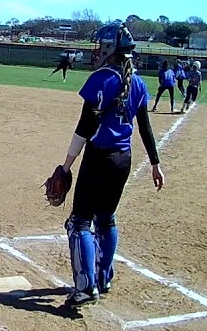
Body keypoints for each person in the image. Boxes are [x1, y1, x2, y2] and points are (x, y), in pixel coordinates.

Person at [53, 21, 164, 310]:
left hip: (98, 158)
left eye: (101, 46)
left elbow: (84, 129)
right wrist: (155, 163)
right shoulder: (138, 82)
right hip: (122, 161)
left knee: (79, 222)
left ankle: (85, 287)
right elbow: (145, 128)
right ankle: (103, 278)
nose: (97, 51)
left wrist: (65, 167)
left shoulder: (100, 79)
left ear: (110, 49)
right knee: (106, 219)